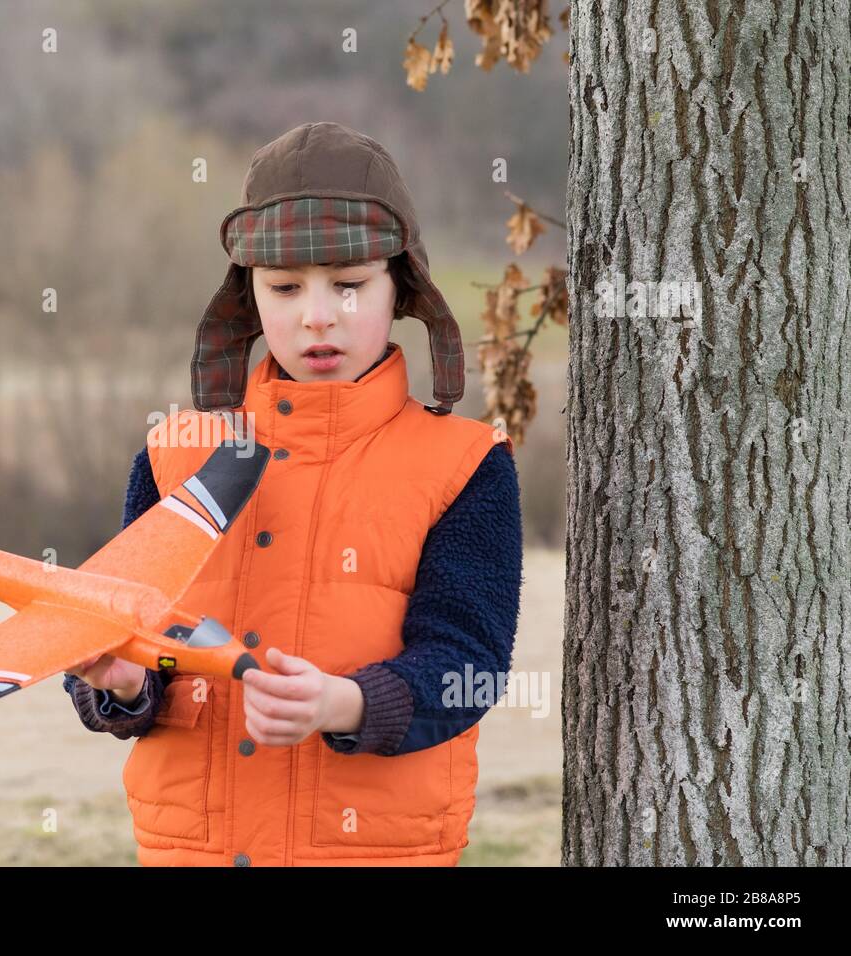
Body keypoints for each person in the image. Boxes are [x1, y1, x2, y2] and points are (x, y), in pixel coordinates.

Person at [63, 121, 523, 866]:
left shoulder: (463, 464)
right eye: (284, 287)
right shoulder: (173, 456)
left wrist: (346, 704)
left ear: (401, 287)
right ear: (246, 297)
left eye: (349, 284)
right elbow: (119, 650)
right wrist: (121, 685)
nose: (317, 316)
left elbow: (469, 666)